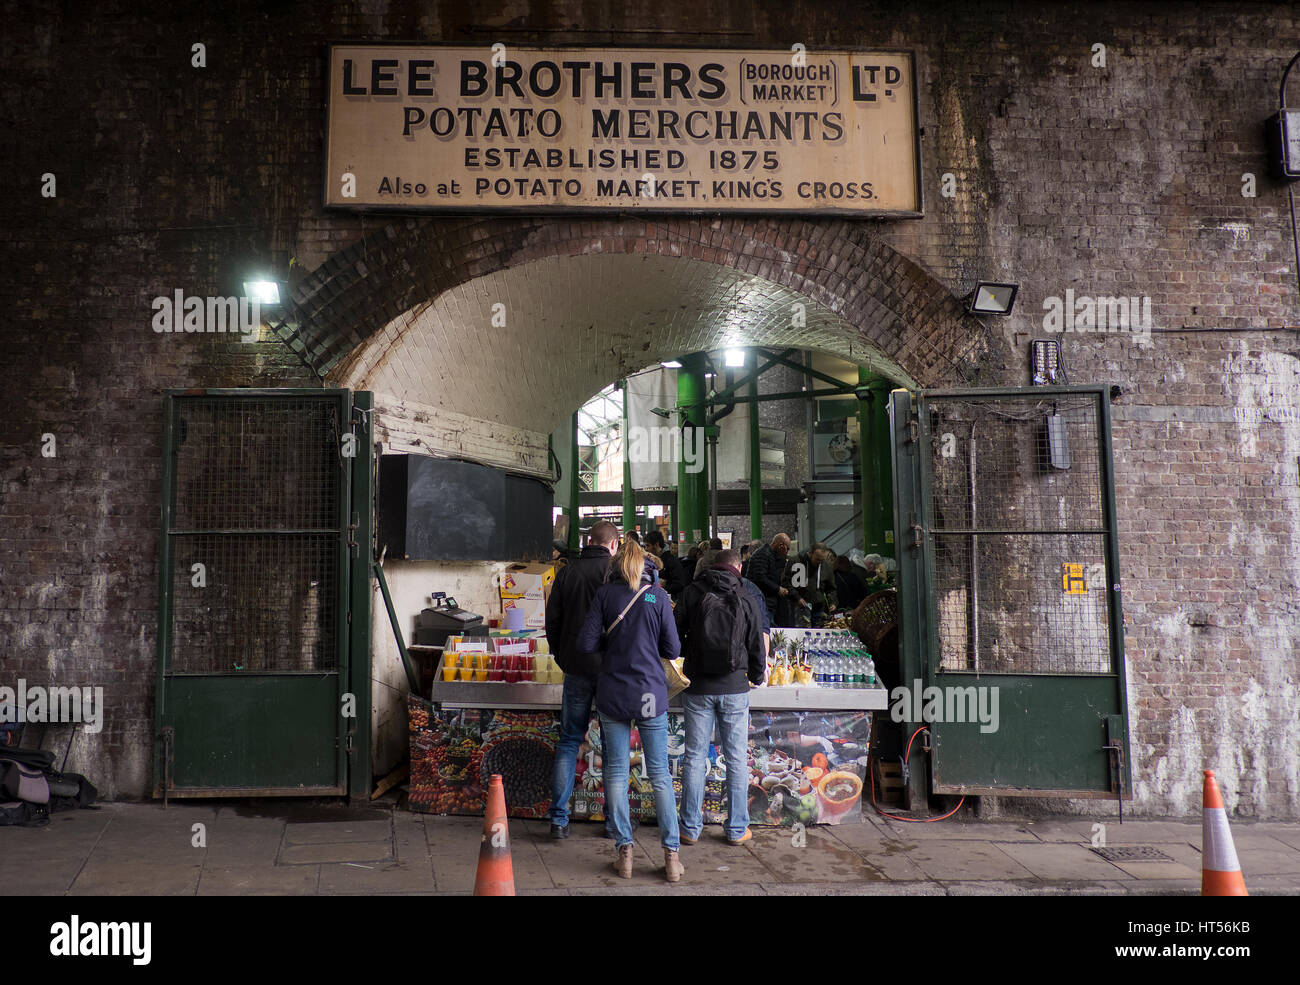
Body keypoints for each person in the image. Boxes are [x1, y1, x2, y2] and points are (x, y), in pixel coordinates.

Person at [576, 538, 684, 883]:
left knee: (616, 773)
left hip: (613, 693)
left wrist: (612, 652)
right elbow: (673, 647)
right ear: (646, 566)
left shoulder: (605, 596)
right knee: (660, 776)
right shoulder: (658, 597)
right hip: (651, 693)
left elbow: (585, 643)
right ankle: (671, 857)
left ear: (616, 565)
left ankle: (624, 853)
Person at [674, 549, 765, 846]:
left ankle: (689, 828)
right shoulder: (747, 595)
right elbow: (756, 646)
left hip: (698, 687)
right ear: (737, 566)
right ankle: (737, 829)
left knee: (695, 757)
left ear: (714, 566)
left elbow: (673, 637)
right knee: (737, 759)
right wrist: (756, 675)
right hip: (735, 687)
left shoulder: (692, 592)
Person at [543, 519, 618, 840]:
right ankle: (614, 823)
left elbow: (553, 620)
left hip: (575, 666)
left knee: (569, 740)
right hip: (612, 670)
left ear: (588, 542)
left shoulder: (567, 572)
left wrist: (562, 656)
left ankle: (559, 820)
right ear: (613, 545)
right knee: (615, 748)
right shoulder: (616, 573)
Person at [784, 542, 835, 626]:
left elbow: (831, 588)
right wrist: (797, 598)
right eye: (817, 559)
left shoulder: (826, 566)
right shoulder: (796, 562)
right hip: (799, 607)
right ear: (810, 553)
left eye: (822, 560)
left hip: (818, 607)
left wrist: (832, 602)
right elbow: (786, 582)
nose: (819, 563)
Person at [745, 532, 791, 625]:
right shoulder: (763, 554)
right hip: (762, 601)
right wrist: (778, 589)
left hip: (768, 601)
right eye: (787, 548)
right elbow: (760, 578)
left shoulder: (772, 556)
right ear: (780, 546)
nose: (787, 552)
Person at [644, 530, 686, 598]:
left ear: (656, 545)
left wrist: (662, 586)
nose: (646, 549)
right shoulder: (648, 561)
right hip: (652, 597)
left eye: (648, 545)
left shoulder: (671, 561)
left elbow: (679, 584)